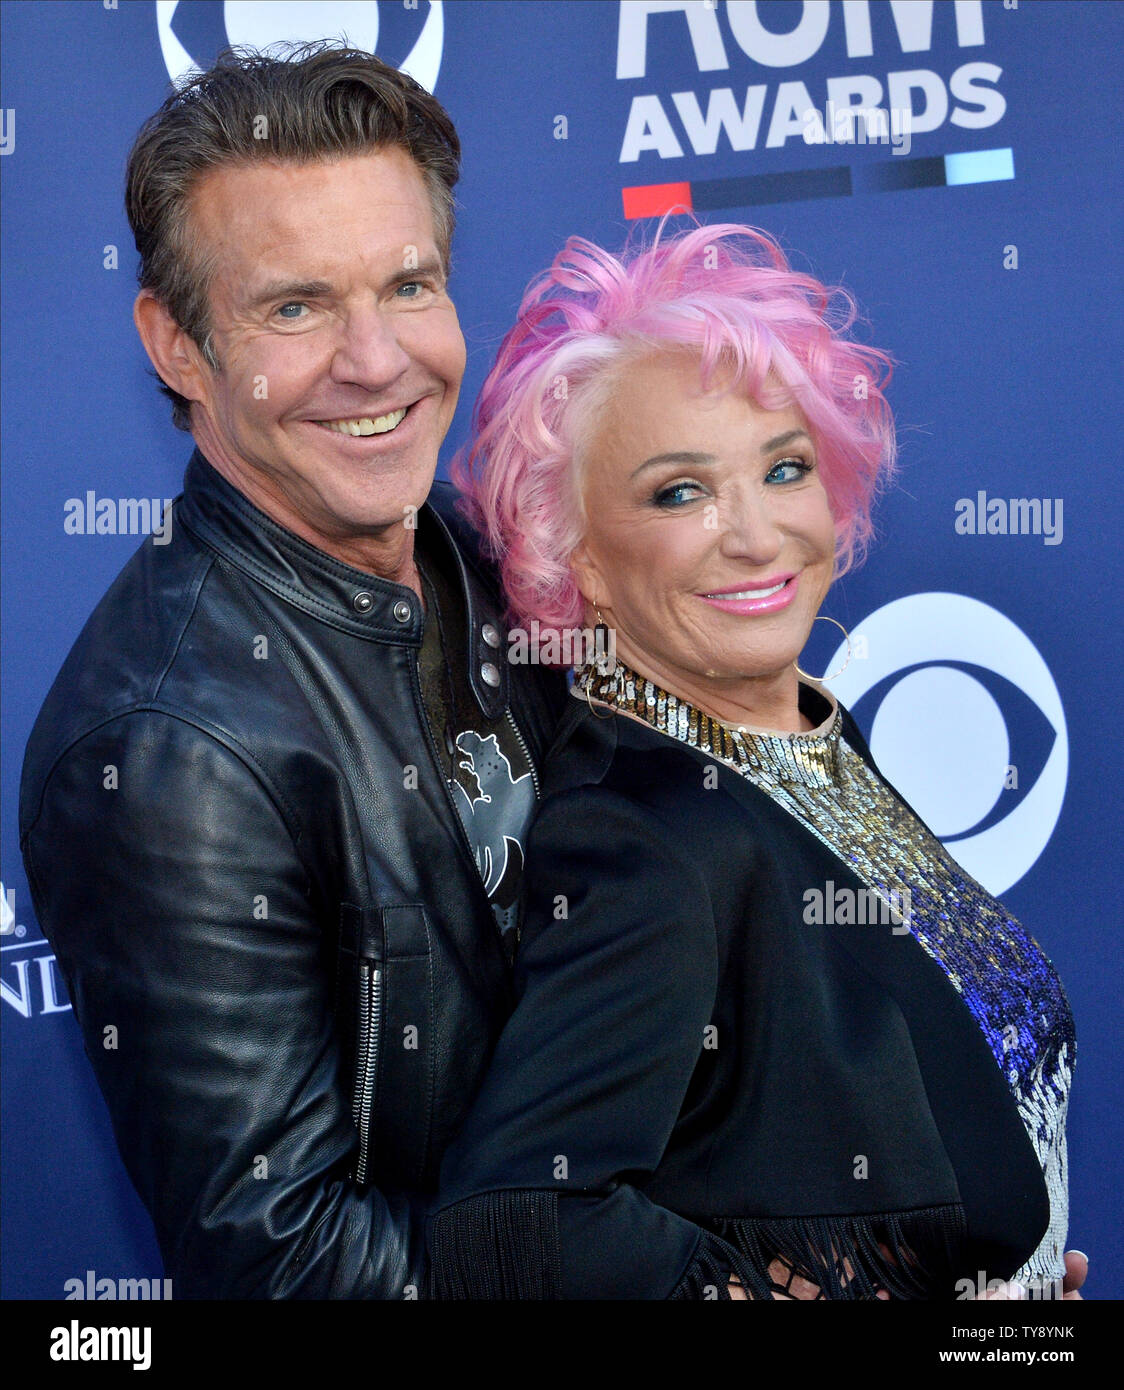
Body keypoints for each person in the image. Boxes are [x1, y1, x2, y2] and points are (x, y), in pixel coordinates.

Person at [424, 224, 1081, 1300]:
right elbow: (511, 1226)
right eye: (679, 492)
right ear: (574, 547)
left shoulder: (806, 736)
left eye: (783, 468)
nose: (755, 533)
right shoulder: (643, 832)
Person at [18, 43, 565, 1298]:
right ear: (176, 344)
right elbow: (289, 1265)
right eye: (296, 306)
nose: (377, 363)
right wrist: (686, 1278)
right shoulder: (158, 749)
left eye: (409, 284)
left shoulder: (493, 548)